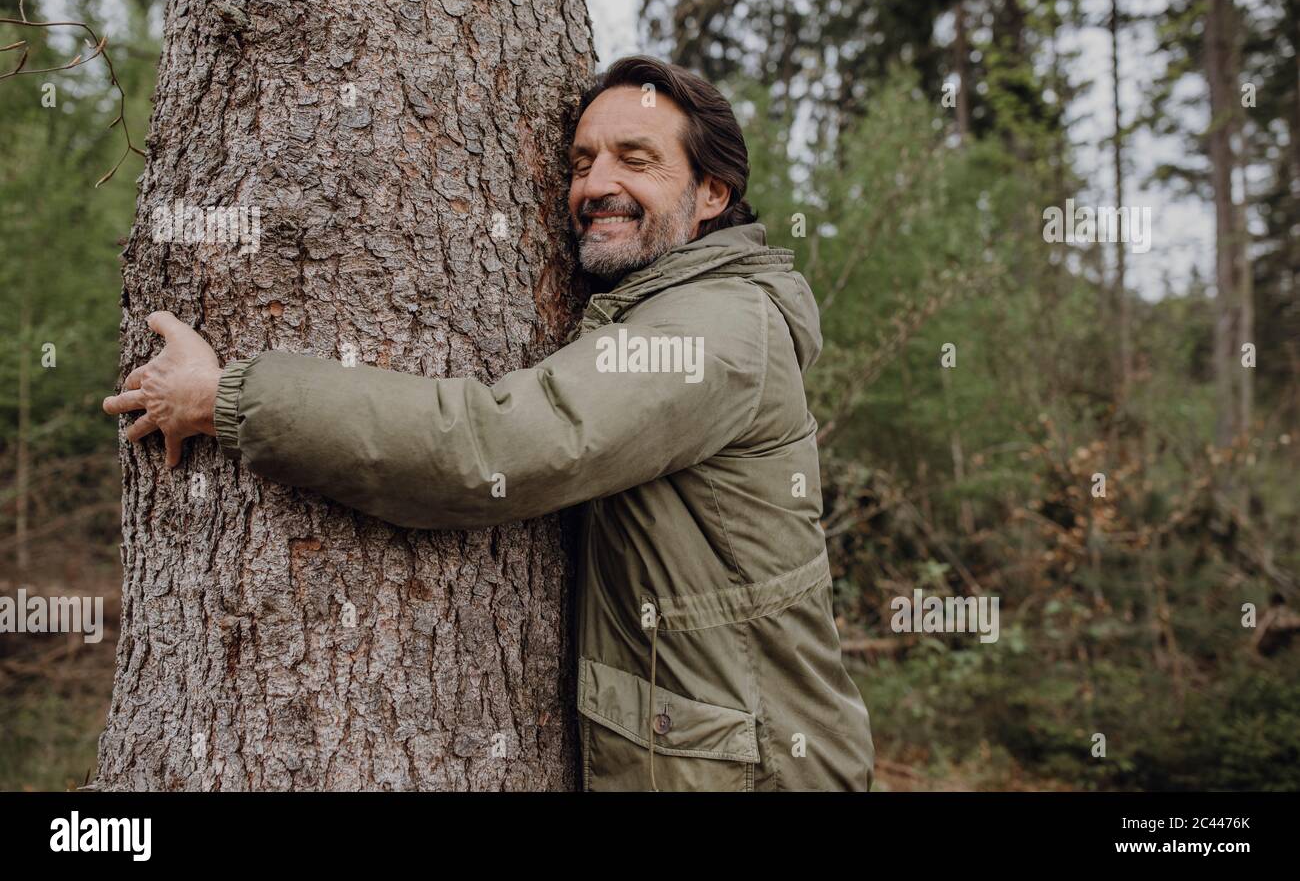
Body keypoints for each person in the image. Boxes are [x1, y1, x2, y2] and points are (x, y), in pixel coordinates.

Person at [103, 55, 875, 791]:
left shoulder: (712, 332)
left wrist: (234, 397)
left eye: (635, 161)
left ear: (711, 193)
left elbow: (496, 448)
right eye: (581, 162)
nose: (596, 185)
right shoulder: (676, 307)